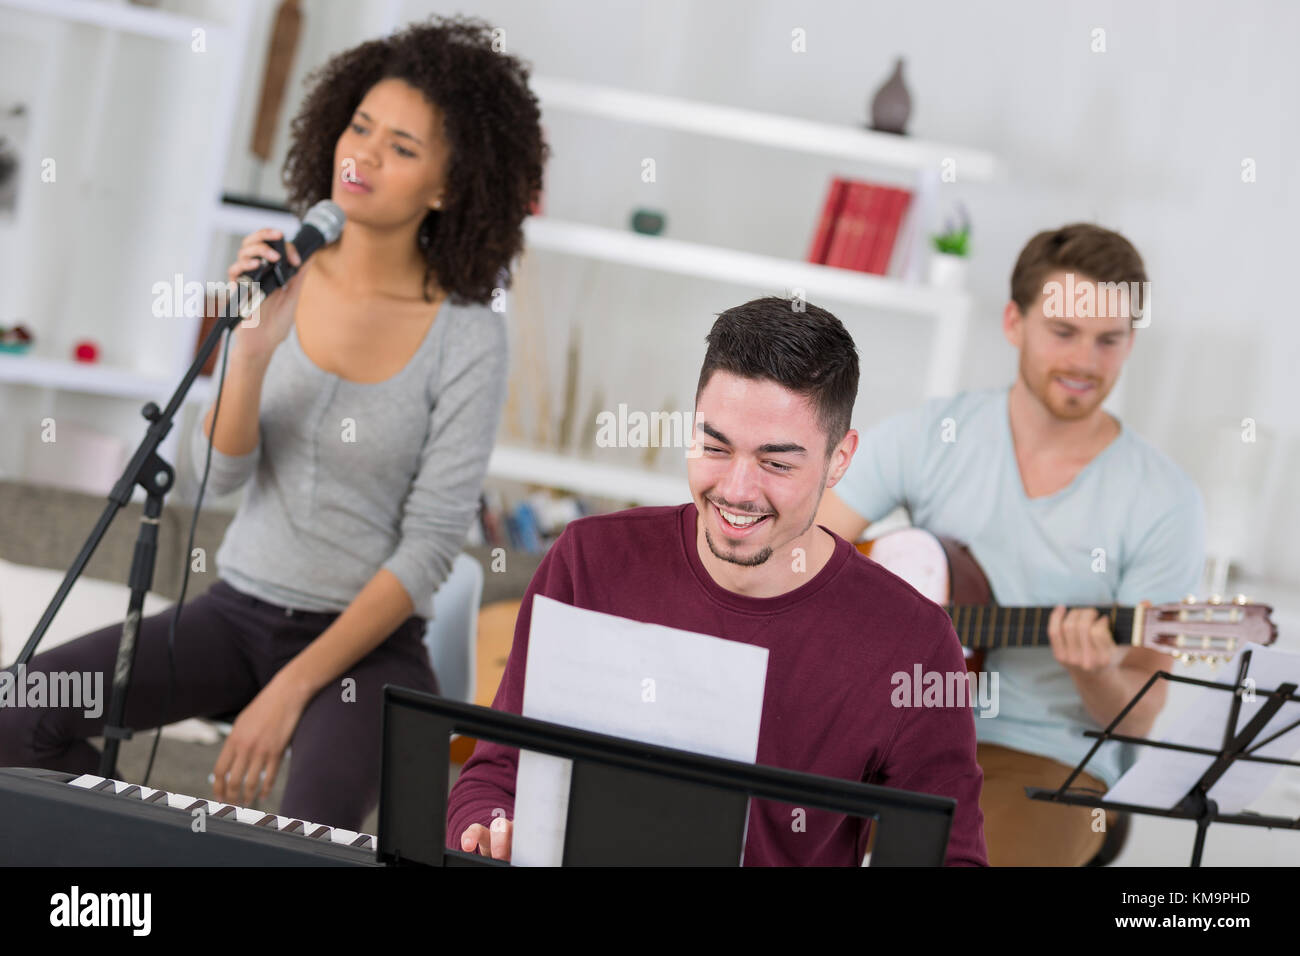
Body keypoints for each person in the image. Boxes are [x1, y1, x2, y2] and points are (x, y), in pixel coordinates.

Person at [0, 16, 548, 831]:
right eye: (359, 127)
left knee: (303, 836)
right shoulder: (279, 276)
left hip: (362, 650)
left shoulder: (467, 333)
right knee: (19, 714)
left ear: (448, 184)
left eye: (402, 146)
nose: (362, 154)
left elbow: (431, 543)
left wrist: (289, 689)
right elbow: (210, 476)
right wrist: (250, 353)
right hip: (236, 610)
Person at [447, 296, 988, 866]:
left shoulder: (913, 640)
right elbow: (495, 773)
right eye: (714, 446)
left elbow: (949, 858)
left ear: (840, 460)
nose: (736, 490)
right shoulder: (590, 558)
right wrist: (490, 827)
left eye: (776, 463)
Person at [816, 224, 1206, 865]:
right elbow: (800, 557)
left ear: (1131, 342)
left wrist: (1095, 671)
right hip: (891, 731)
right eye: (1063, 332)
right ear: (1013, 323)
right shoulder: (933, 434)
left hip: (1047, 761)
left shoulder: (1165, 501)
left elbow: (1138, 717)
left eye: (1109, 341)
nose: (1085, 362)